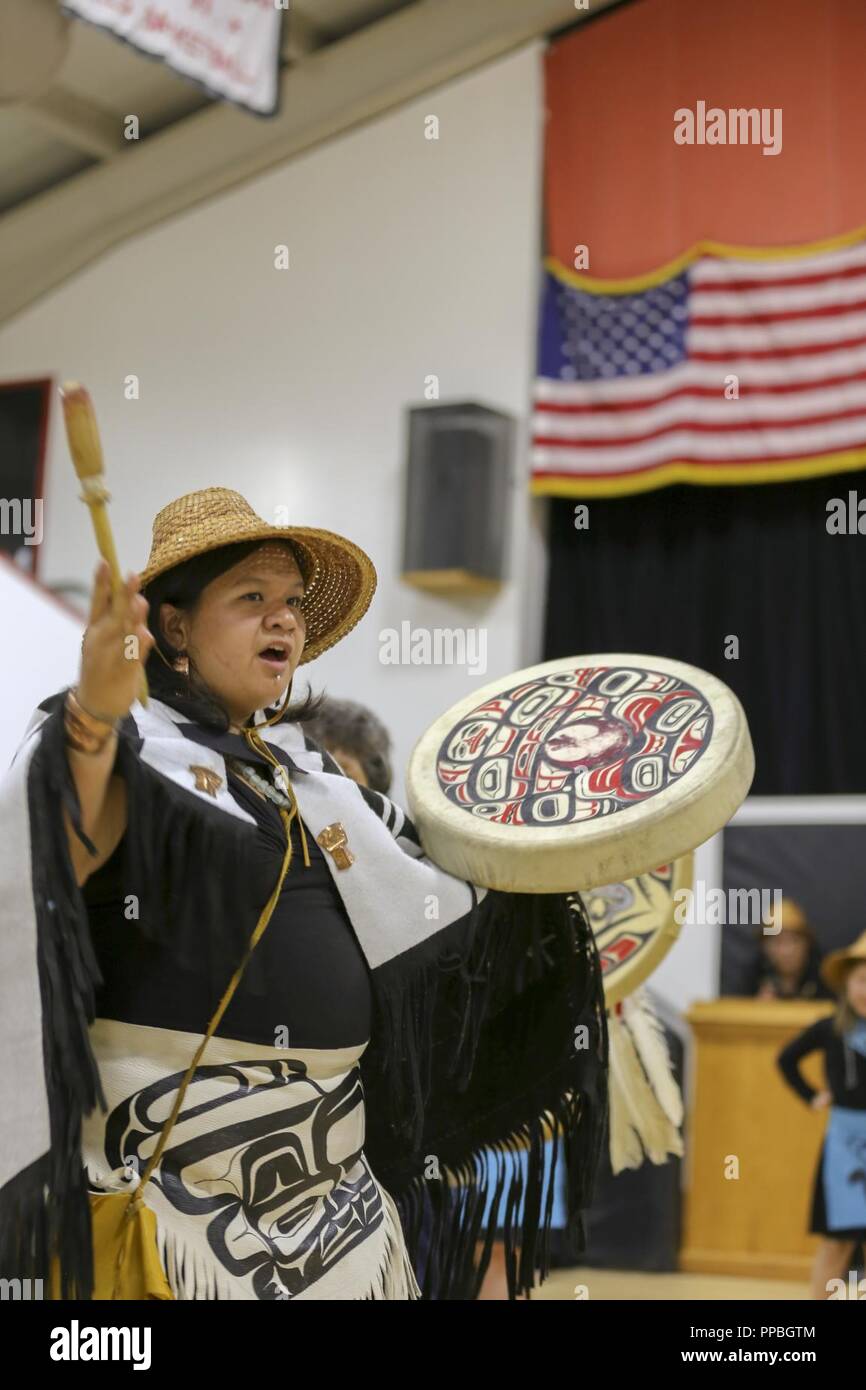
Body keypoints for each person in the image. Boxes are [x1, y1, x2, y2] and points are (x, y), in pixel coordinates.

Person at [0, 487, 608, 1302]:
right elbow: (56, 852)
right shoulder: (116, 747)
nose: (283, 620)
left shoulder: (312, 776)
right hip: (173, 1201)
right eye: (251, 599)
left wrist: (576, 842)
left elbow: (455, 886)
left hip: (337, 1202)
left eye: (289, 603)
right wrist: (93, 720)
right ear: (174, 626)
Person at [776, 930, 866, 1299]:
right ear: (847, 984)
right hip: (844, 1149)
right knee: (837, 1243)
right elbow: (786, 1059)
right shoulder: (830, 1029)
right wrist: (811, 1095)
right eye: (862, 980)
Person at [754, 897, 833, 1000]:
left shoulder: (826, 976)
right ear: (765, 947)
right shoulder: (753, 976)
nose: (787, 951)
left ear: (807, 943)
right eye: (778, 942)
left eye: (794, 941)